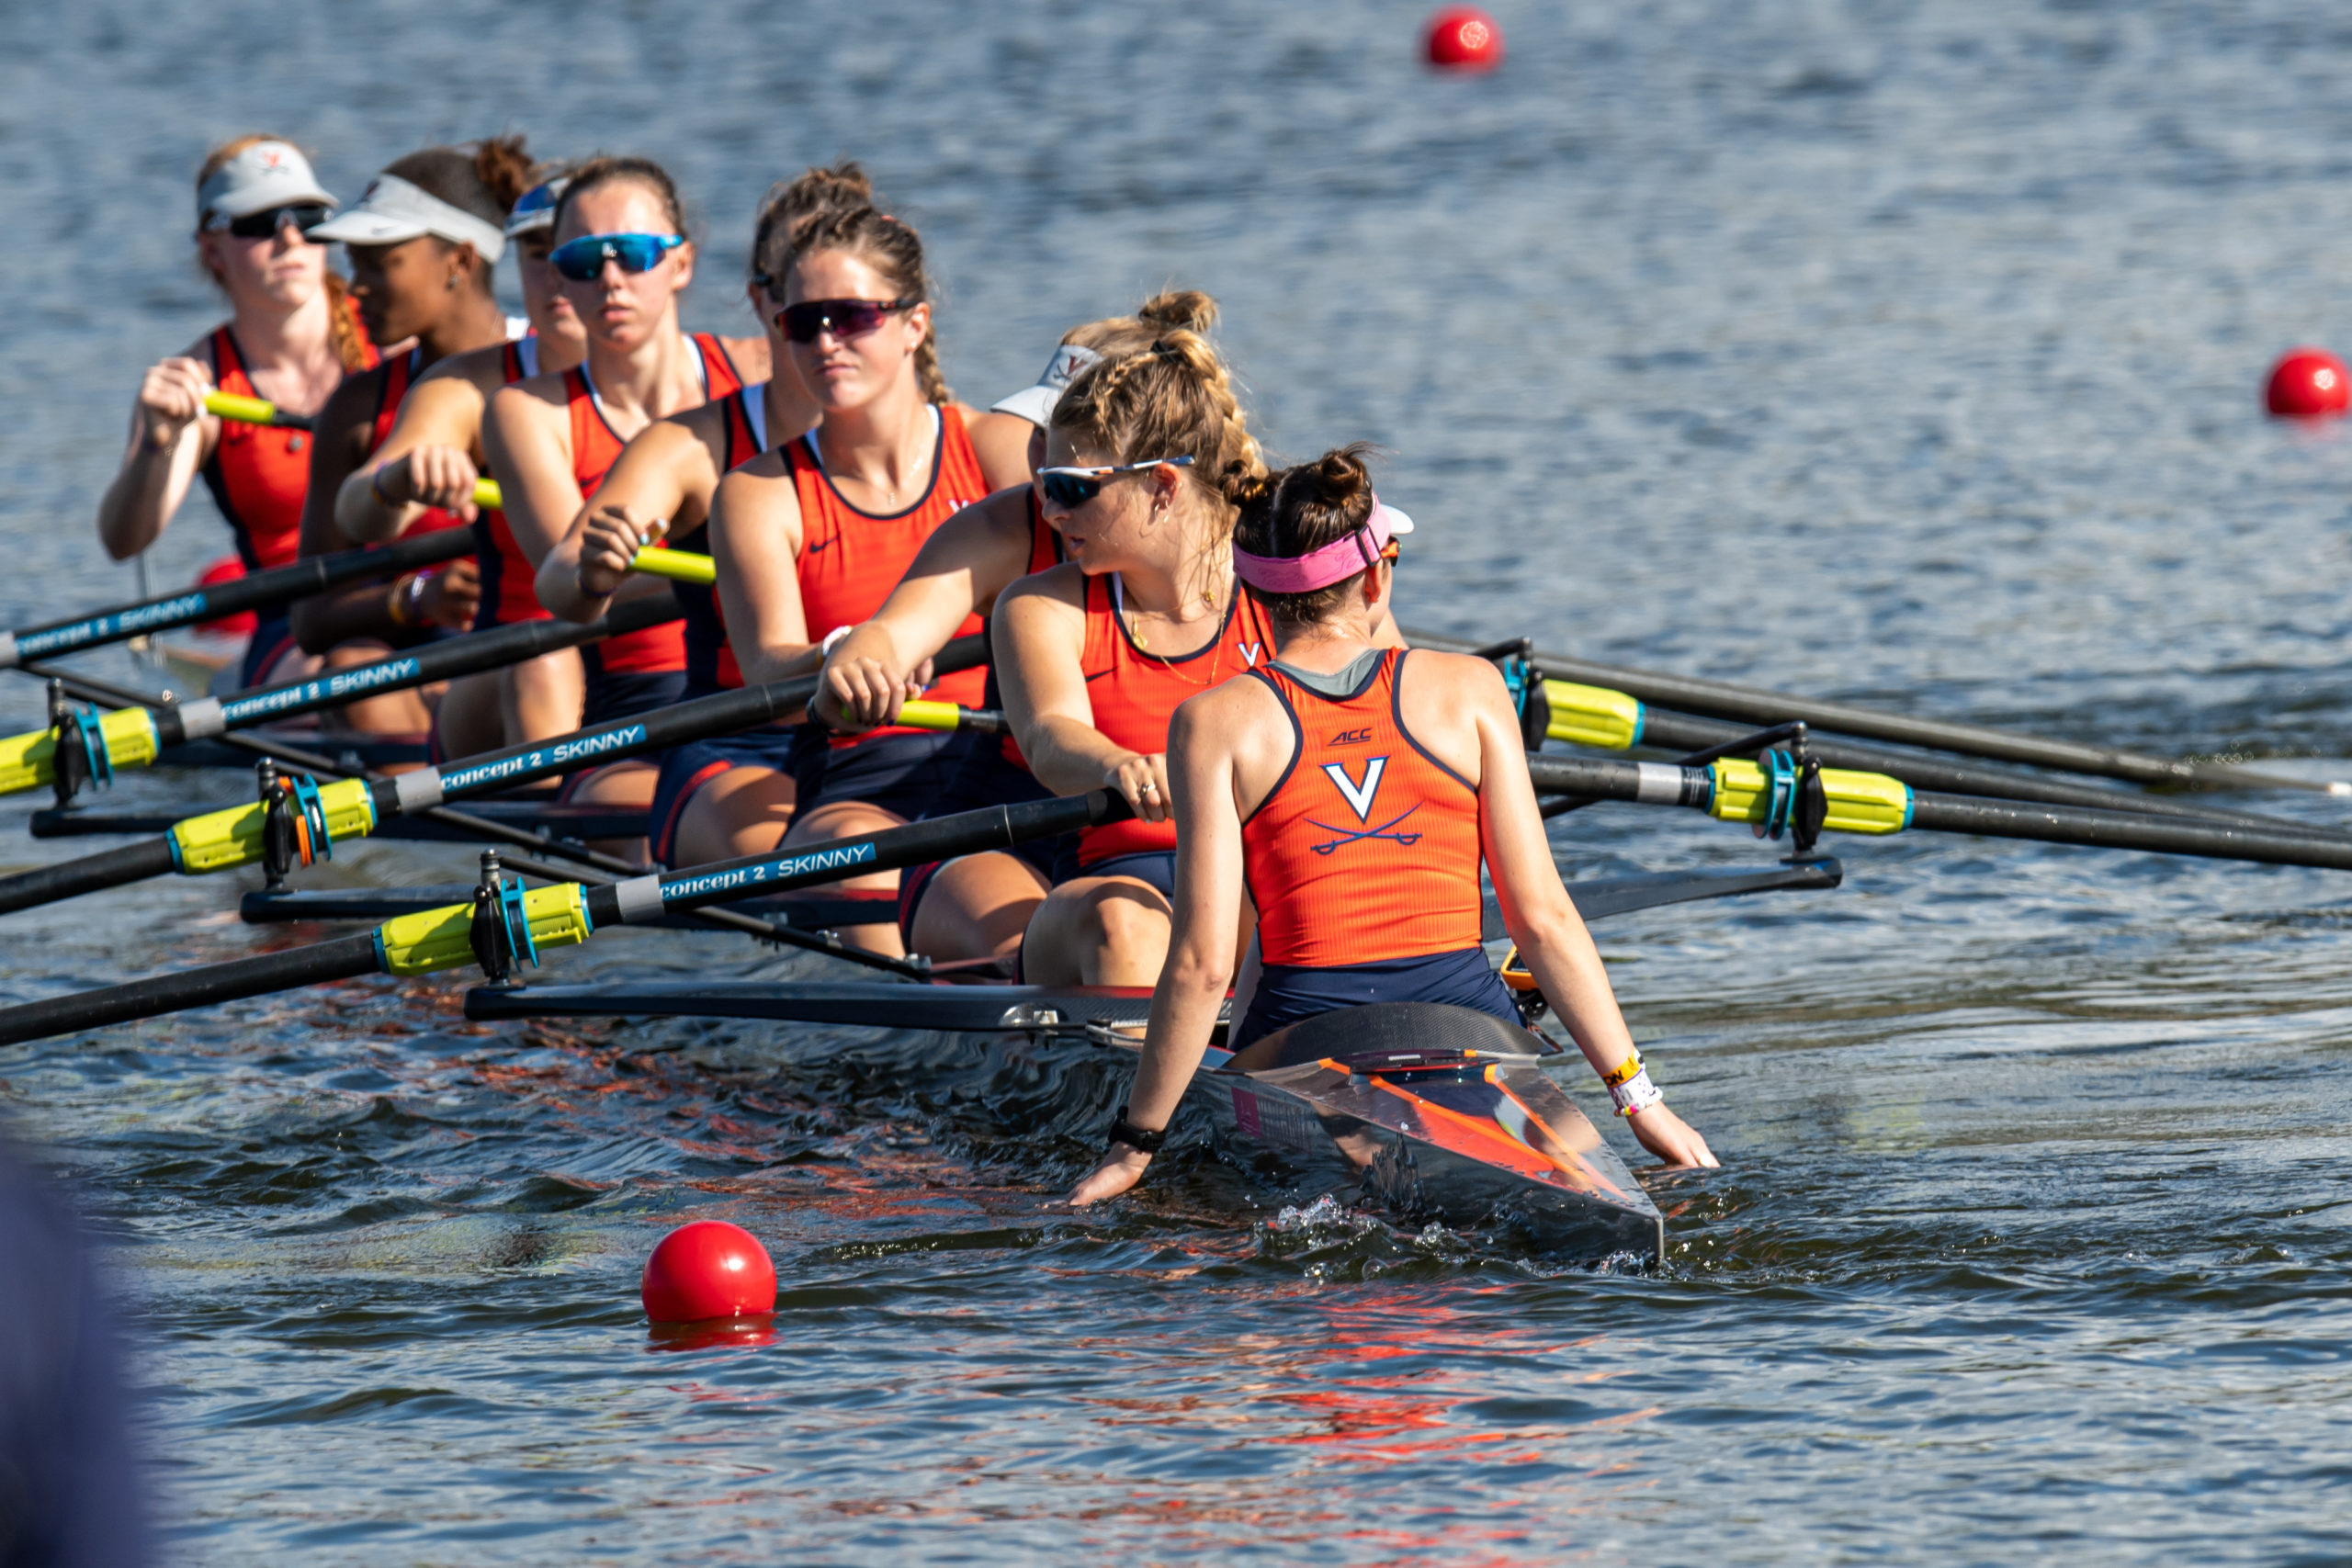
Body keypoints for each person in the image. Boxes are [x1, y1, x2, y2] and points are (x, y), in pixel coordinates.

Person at [1067, 448, 1718, 1204]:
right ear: (1376, 578)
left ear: (1252, 592)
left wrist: (1134, 1145)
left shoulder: (1212, 723)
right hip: (1471, 1028)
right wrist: (1640, 1100)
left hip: (1298, 1041)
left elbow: (1204, 964)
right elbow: (1542, 919)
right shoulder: (1471, 690)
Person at [636, 174, 1028, 951]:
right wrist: (839, 656)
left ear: (914, 323)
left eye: (851, 318)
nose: (824, 343)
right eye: (802, 323)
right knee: (876, 879)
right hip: (857, 784)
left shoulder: (998, 449)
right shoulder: (757, 492)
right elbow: (770, 677)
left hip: (1003, 772)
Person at [815, 291, 1226, 970]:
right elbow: (889, 636)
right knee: (1073, 948)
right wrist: (856, 665)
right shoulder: (1005, 529)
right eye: (1039, 434)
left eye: (1068, 458)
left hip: (1159, 849)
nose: (1041, 472)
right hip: (1009, 827)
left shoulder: (1250, 556)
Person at [995, 331, 1357, 987]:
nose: (1048, 511)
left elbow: (1381, 715)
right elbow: (1049, 736)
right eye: (1047, 486)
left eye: (1072, 488)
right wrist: (1118, 765)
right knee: (1126, 926)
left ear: (1162, 485)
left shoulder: (1286, 587)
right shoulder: (1039, 606)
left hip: (1262, 884)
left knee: (1299, 897)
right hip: (1113, 888)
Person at [479, 155, 768, 817]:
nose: (610, 279)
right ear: (560, 277)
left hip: (775, 682)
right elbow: (572, 581)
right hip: (637, 704)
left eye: (634, 255)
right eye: (584, 261)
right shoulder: (527, 412)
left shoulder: (760, 370)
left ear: (682, 262)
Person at [533, 164, 857, 733]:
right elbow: (557, 579)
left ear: (905, 315)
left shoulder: (965, 437)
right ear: (761, 301)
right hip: (741, 734)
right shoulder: (686, 445)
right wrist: (592, 572)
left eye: (851, 308)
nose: (825, 330)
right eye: (797, 299)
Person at [96, 137, 376, 688]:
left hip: (417, 592)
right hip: (295, 623)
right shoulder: (197, 384)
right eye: (260, 223)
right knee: (350, 677)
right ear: (212, 250)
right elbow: (124, 541)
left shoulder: (390, 338)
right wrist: (156, 446)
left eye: (307, 217)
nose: (290, 238)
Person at [280, 137, 537, 736]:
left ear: (460, 261)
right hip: (421, 663)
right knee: (350, 669)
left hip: (545, 650)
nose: (354, 287)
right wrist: (415, 598)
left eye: (379, 263)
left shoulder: (556, 371)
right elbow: (311, 619)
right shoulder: (357, 409)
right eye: (353, 264)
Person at [332, 168, 589, 758]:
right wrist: (396, 480)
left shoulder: (714, 380)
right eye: (538, 253)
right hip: (516, 665)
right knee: (545, 661)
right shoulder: (467, 389)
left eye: (585, 255)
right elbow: (359, 511)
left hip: (654, 671)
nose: (560, 275)